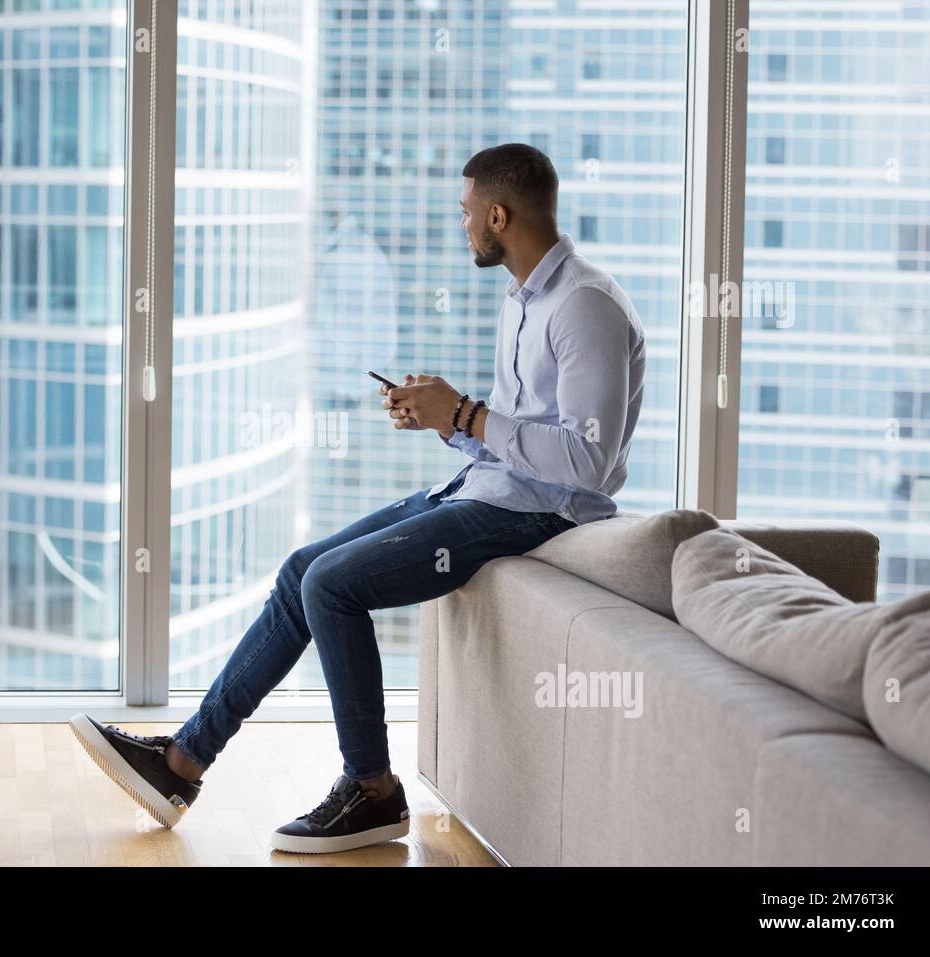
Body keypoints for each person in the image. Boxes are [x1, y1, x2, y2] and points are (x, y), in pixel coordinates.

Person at [70, 143, 647, 854]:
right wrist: (444, 422)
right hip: (486, 488)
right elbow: (520, 436)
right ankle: (182, 763)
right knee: (298, 572)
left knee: (332, 586)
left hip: (533, 516)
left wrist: (465, 413)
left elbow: (586, 461)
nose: (462, 223)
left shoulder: (584, 304)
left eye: (468, 212)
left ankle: (372, 790)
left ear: (499, 215)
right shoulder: (526, 299)